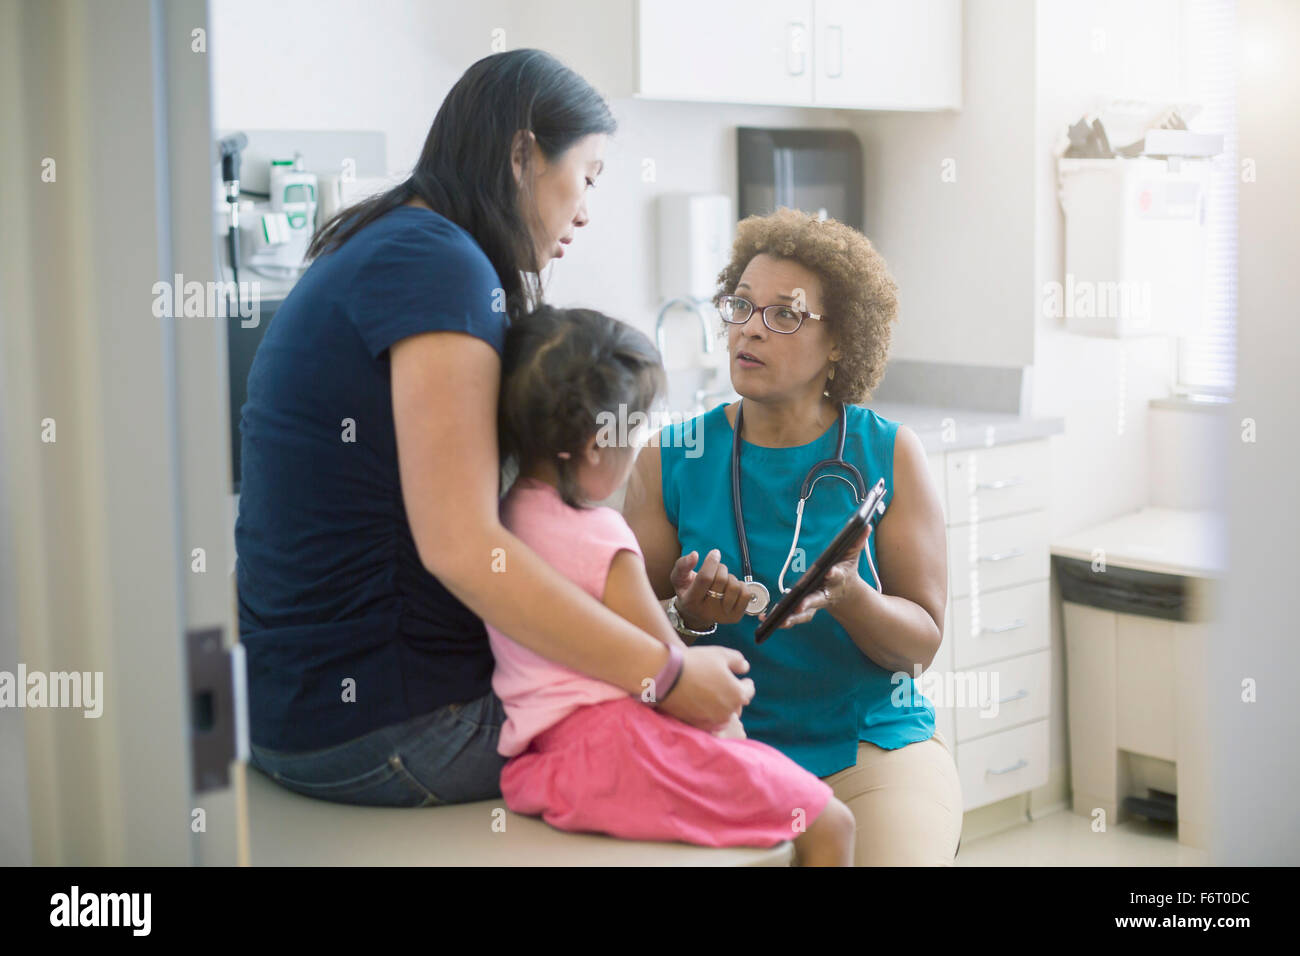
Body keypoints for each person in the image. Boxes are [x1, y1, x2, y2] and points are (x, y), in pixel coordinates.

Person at [236, 49, 751, 808]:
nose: (584, 211)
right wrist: (667, 676)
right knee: (724, 754)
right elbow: (463, 548)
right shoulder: (441, 265)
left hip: (298, 719)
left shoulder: (381, 241)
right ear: (522, 153)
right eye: (588, 176)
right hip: (398, 728)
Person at [623, 207, 964, 864]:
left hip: (868, 747)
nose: (751, 328)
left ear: (840, 341)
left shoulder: (889, 452)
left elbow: (920, 643)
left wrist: (850, 596)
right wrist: (689, 622)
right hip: (722, 744)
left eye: (785, 314)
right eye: (742, 306)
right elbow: (622, 634)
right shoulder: (670, 457)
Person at [488, 306, 855, 864]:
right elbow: (673, 672)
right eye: (632, 431)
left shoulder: (504, 517)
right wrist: (734, 728)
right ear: (594, 445)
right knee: (830, 821)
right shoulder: (602, 537)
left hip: (543, 762)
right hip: (622, 752)